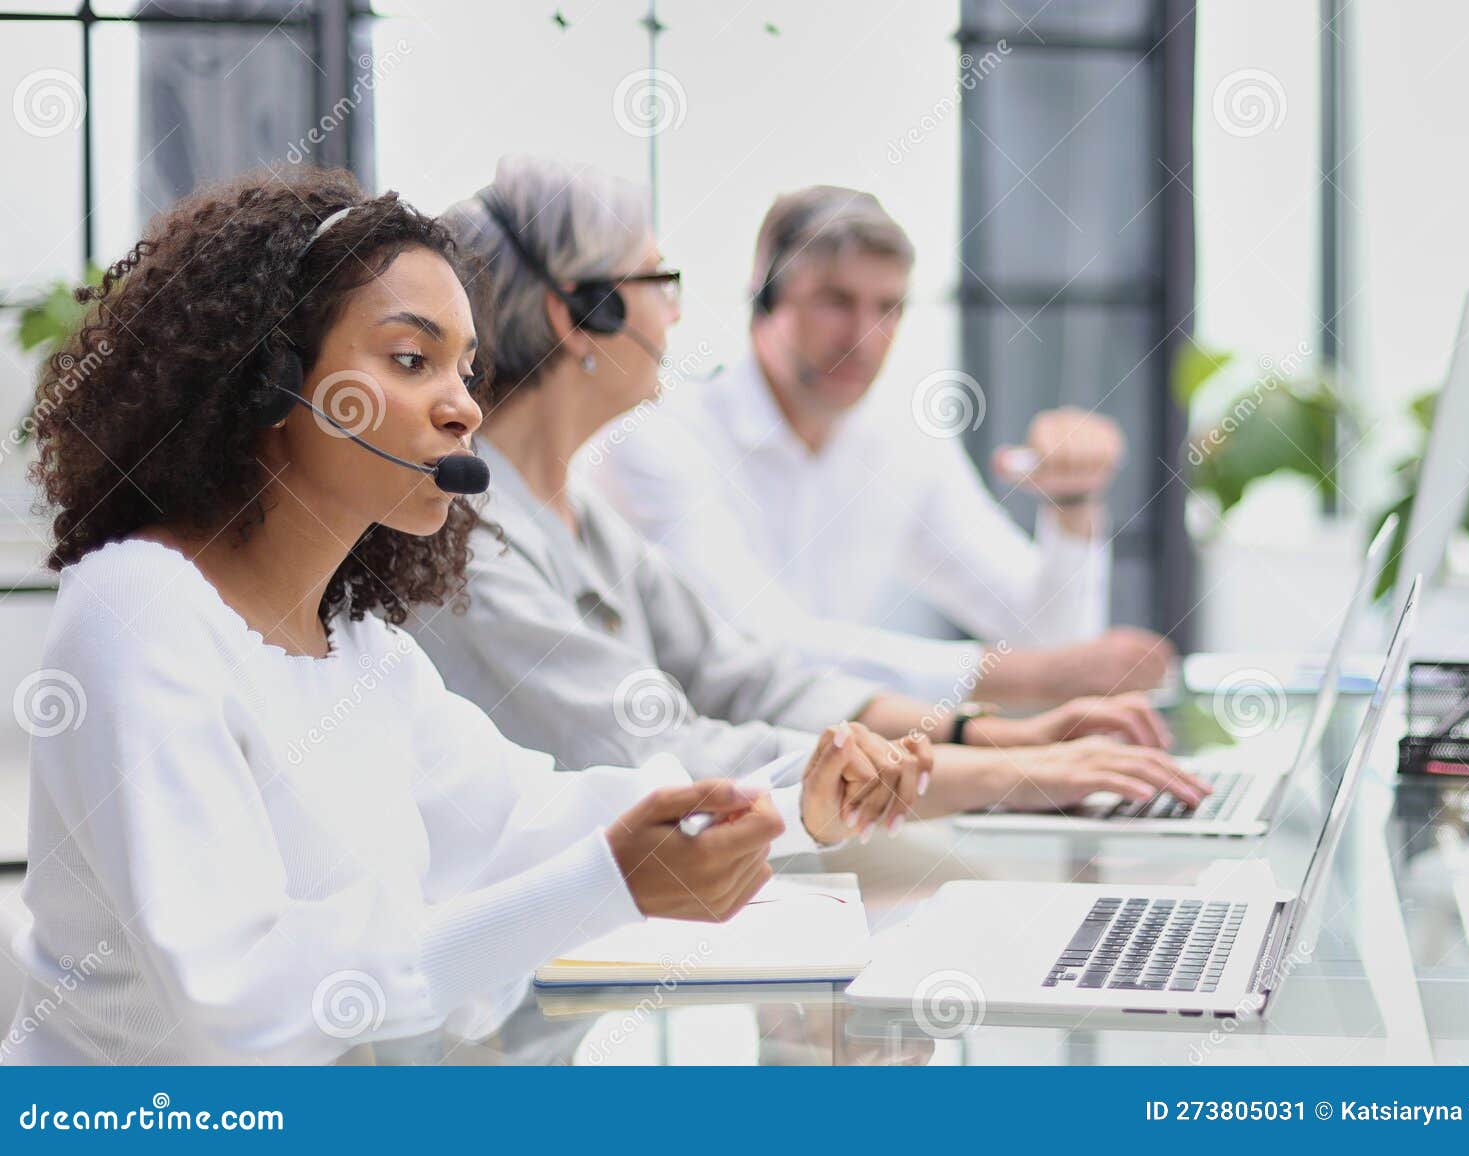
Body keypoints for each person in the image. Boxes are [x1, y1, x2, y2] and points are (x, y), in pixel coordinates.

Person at [2, 169, 892, 1065]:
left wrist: (789, 801)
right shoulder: (140, 613)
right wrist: (605, 884)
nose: (465, 405)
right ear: (269, 376)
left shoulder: (358, 650)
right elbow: (229, 1003)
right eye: (410, 360)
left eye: (466, 369)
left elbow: (527, 819)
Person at [412, 157, 1207, 838]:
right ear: (585, 312)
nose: (679, 312)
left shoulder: (571, 513)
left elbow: (750, 679)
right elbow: (668, 756)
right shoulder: (473, 542)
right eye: (661, 281)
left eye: (889, 307)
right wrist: (1002, 771)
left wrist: (992, 736)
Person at [587, 184, 1176, 707]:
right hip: (680, 791)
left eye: (888, 307)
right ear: (764, 301)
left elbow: (1049, 639)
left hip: (840, 785)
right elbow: (757, 646)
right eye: (835, 301)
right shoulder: (659, 436)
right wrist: (1023, 677)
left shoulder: (900, 447)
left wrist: (1073, 502)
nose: (865, 337)